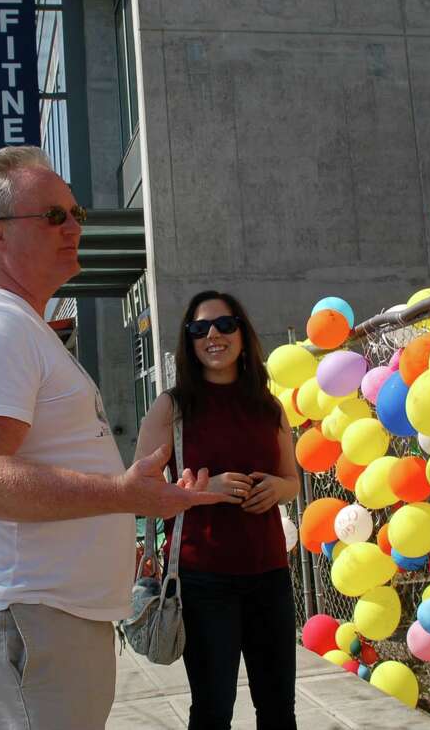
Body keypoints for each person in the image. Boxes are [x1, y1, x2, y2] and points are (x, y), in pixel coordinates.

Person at [0, 146, 224, 730]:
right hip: (23, 621)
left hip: (43, 622)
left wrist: (140, 498)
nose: (74, 227)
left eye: (76, 213)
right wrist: (124, 495)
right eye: (53, 216)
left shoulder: (21, 327)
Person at [134, 290, 301, 730]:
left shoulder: (268, 405)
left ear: (242, 334)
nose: (213, 335)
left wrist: (275, 488)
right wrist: (206, 491)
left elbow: (293, 481)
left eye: (225, 325)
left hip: (269, 576)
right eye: (199, 328)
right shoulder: (172, 407)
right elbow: (139, 492)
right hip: (203, 581)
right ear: (188, 341)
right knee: (212, 711)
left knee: (279, 709)